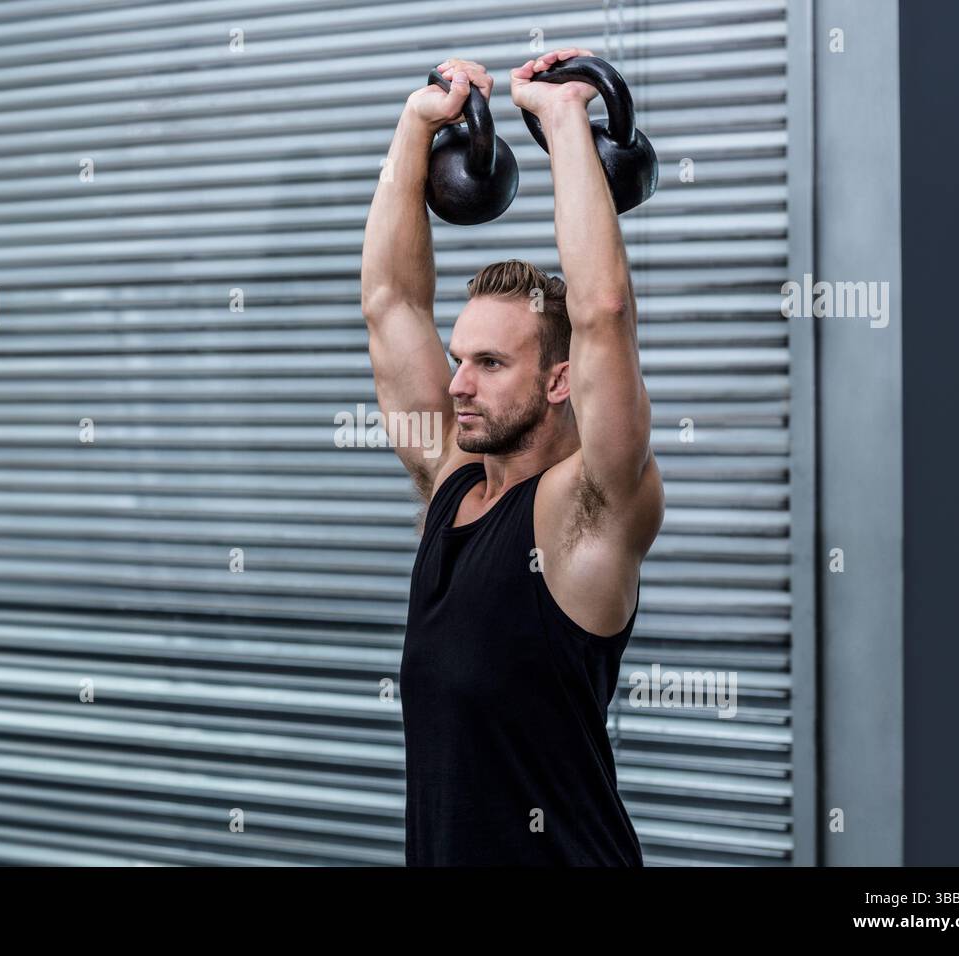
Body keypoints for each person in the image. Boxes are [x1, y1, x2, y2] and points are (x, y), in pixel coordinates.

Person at [360, 49, 664, 866]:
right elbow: (390, 301)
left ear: (561, 378)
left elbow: (602, 311)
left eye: (491, 364)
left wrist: (565, 121)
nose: (458, 384)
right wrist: (417, 124)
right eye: (460, 358)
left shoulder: (588, 514)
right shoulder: (448, 482)